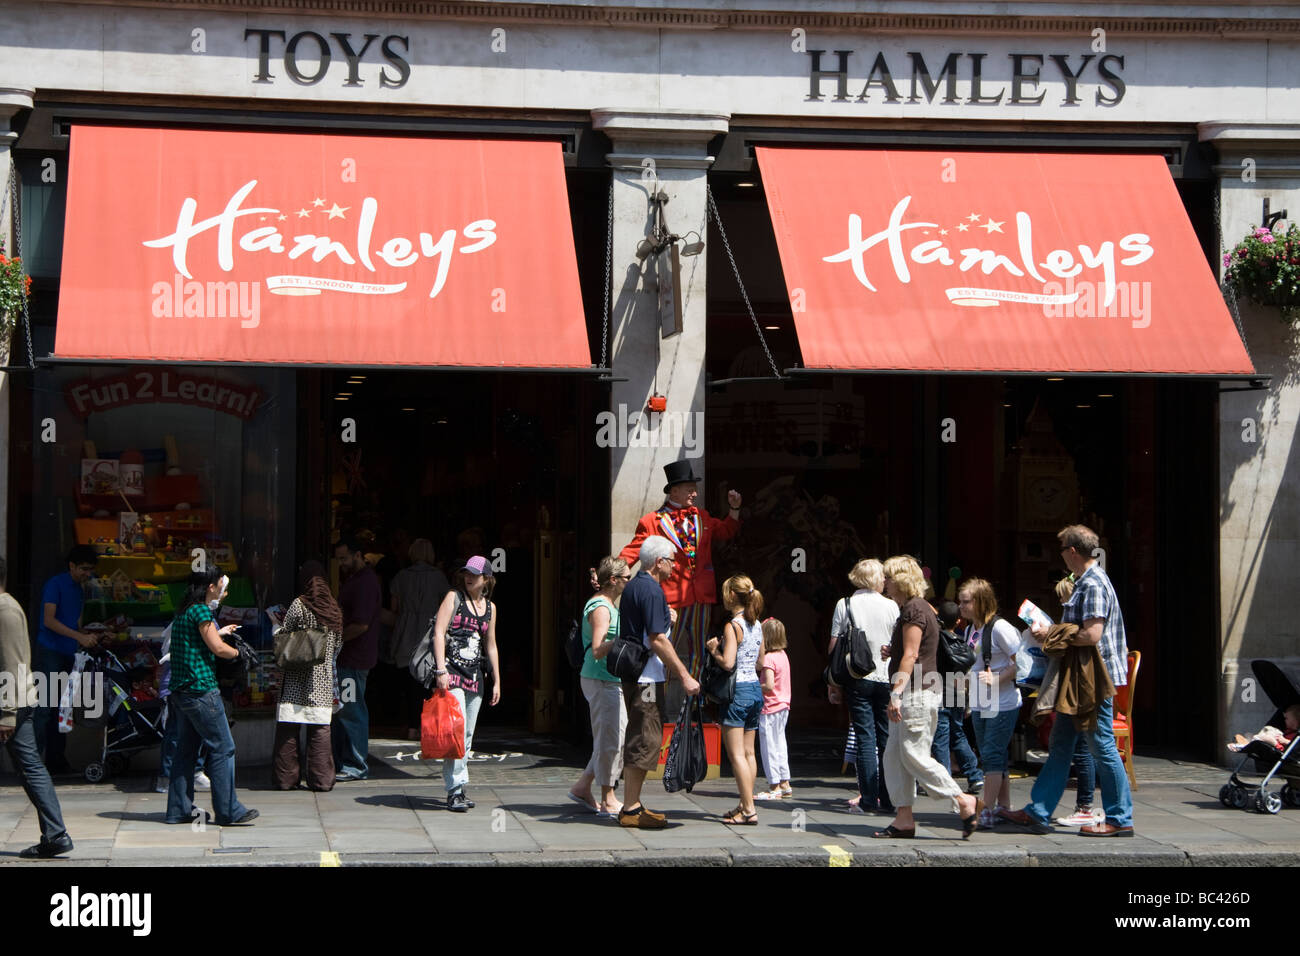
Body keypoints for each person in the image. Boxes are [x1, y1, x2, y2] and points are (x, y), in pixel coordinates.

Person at [1003, 524, 1135, 837]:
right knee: (1061, 744)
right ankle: (1038, 811)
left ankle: (1120, 817)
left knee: (1101, 743)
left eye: (1062, 550)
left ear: (1072, 552)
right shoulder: (1089, 581)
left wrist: (1052, 633)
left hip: (1092, 680)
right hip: (1080, 678)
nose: (1060, 556)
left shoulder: (1091, 584)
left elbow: (1092, 634)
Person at [873, 555, 981, 839]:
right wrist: (892, 652)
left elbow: (911, 656)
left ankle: (962, 799)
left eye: (888, 577)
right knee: (894, 757)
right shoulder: (916, 608)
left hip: (915, 694)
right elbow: (913, 651)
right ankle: (903, 819)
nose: (884, 582)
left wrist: (895, 694)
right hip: (918, 691)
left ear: (901, 580)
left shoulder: (913, 610)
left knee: (913, 754)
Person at [620, 460, 742, 702]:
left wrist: (734, 510)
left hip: (700, 597)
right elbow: (633, 551)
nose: (694, 493)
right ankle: (657, 705)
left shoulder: (702, 516)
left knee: (699, 651)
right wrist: (612, 574)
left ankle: (693, 704)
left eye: (693, 489)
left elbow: (725, 531)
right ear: (673, 490)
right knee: (662, 652)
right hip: (670, 599)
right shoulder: (652, 521)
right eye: (689, 488)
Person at [616, 536, 702, 829]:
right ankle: (630, 809)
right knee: (645, 737)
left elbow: (650, 630)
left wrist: (667, 618)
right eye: (672, 560)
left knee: (642, 735)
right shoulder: (651, 590)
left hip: (639, 675)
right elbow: (657, 639)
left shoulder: (636, 586)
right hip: (647, 679)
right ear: (658, 562)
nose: (675, 566)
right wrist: (685, 675)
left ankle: (633, 804)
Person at [165, 568, 258, 826]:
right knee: (223, 747)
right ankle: (229, 810)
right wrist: (239, 654)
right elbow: (216, 649)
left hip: (181, 690)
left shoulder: (184, 610)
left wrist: (221, 633)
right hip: (201, 689)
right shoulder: (202, 611)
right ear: (210, 587)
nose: (222, 589)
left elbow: (199, 641)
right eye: (220, 584)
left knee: (185, 751)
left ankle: (179, 809)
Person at [0, 557, 74, 857]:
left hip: (12, 706)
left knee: (31, 769)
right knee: (30, 769)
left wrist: (7, 714)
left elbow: (14, 664)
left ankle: (57, 834)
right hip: (13, 703)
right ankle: (55, 834)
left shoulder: (5, 611)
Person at [431, 555, 501, 811]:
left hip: (476, 678)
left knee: (468, 735)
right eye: (466, 573)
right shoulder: (454, 597)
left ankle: (459, 787)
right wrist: (440, 670)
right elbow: (439, 632)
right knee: (456, 732)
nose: (469, 577)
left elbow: (491, 646)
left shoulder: (491, 609)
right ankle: (454, 789)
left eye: (474, 574)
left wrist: (497, 681)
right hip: (452, 674)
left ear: (487, 579)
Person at [829, 559, 898, 814]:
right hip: (887, 677)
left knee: (865, 738)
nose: (885, 581)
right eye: (882, 577)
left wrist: (833, 684)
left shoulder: (845, 604)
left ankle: (868, 800)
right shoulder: (892, 606)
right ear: (875, 578)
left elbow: (834, 646)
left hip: (856, 676)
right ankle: (889, 799)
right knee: (886, 738)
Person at [271, 561, 344, 791]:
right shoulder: (333, 608)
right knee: (320, 730)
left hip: (295, 677)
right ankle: (321, 780)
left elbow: (285, 635)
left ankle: (286, 779)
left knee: (288, 730)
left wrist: (275, 625)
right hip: (321, 681)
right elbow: (339, 644)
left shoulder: (299, 604)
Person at [956, 579, 1022, 829]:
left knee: (992, 755)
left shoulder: (1000, 628)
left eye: (966, 601)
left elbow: (1022, 663)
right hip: (982, 702)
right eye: (960, 601)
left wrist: (997, 678)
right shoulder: (973, 629)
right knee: (992, 755)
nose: (960, 606)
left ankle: (986, 809)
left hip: (1002, 703)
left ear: (981, 602)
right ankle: (1003, 807)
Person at [568, 556, 631, 817]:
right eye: (626, 577)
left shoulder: (607, 605)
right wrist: (626, 641)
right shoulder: (602, 608)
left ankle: (583, 787)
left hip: (608, 680)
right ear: (614, 580)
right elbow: (597, 649)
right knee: (610, 741)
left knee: (612, 738)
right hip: (602, 679)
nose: (630, 581)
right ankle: (608, 798)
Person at [32, 544, 102, 773]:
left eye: (90, 569)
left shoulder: (79, 589)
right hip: (51, 651)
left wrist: (88, 634)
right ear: (71, 566)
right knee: (45, 708)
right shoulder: (55, 584)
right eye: (83, 568)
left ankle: (56, 761)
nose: (87, 573)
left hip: (68, 653)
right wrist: (78, 637)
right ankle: (32, 763)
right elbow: (49, 621)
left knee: (62, 708)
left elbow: (75, 623)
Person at [705, 575, 765, 825]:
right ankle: (744, 804)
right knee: (750, 753)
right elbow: (761, 662)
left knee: (736, 755)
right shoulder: (757, 623)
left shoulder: (733, 626)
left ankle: (749, 809)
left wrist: (714, 650)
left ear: (731, 596)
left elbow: (728, 663)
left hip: (737, 691)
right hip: (754, 689)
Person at [387, 539, 451, 740]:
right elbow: (447, 606)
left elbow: (394, 608)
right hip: (431, 631)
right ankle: (426, 726)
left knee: (408, 683)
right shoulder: (439, 578)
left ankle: (411, 726)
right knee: (427, 681)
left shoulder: (401, 577)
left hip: (406, 630)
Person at [1049, 575, 1099, 828]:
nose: (1060, 601)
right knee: (1071, 746)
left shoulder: (1078, 621)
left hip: (1080, 686)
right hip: (1073, 685)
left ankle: (1086, 806)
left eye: (1062, 596)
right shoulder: (1071, 621)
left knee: (1082, 748)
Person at [333, 534, 381, 782]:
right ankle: (346, 760)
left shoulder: (364, 583)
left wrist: (336, 640)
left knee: (352, 710)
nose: (341, 563)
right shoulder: (356, 580)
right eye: (339, 559)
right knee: (346, 709)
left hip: (354, 658)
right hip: (350, 658)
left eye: (344, 558)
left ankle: (356, 764)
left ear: (358, 555)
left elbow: (361, 624)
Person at [931, 600, 984, 799]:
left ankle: (944, 780)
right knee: (958, 734)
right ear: (959, 620)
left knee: (940, 739)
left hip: (941, 694)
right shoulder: (962, 641)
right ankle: (974, 774)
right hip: (959, 695)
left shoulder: (936, 640)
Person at [756, 617, 792, 800]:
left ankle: (774, 785)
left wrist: (754, 686)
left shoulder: (769, 659)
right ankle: (785, 782)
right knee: (780, 743)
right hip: (784, 706)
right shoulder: (783, 656)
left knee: (769, 746)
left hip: (770, 708)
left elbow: (768, 685)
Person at [1229, 704, 1300, 753]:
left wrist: (1284, 741)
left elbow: (1297, 746)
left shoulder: (1297, 734)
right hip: (1277, 744)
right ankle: (1248, 743)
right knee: (1268, 729)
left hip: (1282, 749)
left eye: (1287, 719)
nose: (1285, 721)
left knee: (1267, 737)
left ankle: (1246, 745)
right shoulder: (1289, 730)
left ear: (1295, 721)